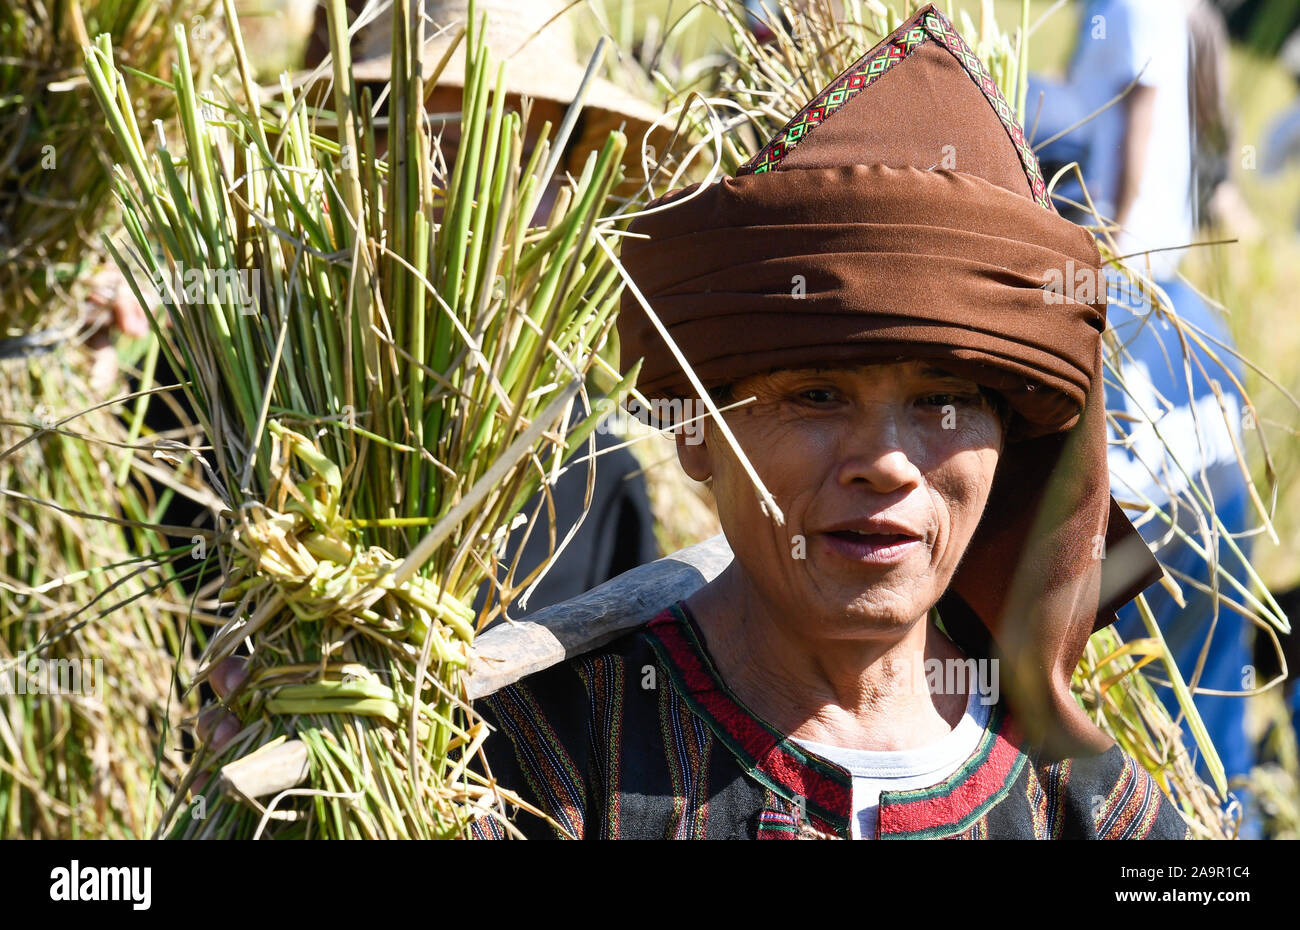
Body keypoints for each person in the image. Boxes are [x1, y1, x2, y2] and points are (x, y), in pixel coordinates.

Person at [200, 3, 1189, 839]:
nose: (887, 463)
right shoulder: (528, 762)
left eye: (941, 403)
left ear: (1007, 437)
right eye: (815, 396)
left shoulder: (1090, 811)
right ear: (695, 432)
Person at [1030, 0, 1259, 804]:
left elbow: (1144, 103)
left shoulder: (1123, 4)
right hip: (1179, 328)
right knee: (1207, 674)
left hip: (1121, 319)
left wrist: (1106, 254)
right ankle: (1225, 822)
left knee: (1109, 697)